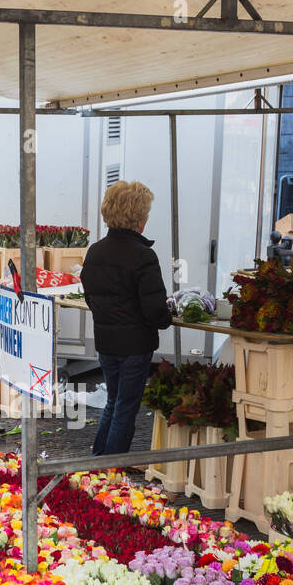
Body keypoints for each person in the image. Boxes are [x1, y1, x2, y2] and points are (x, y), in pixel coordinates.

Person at [80, 180, 172, 457]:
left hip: (105, 342)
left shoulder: (95, 251)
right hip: (135, 345)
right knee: (126, 406)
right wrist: (167, 316)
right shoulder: (143, 256)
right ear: (138, 219)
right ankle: (110, 468)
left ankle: (98, 459)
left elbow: (90, 298)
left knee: (113, 402)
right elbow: (155, 310)